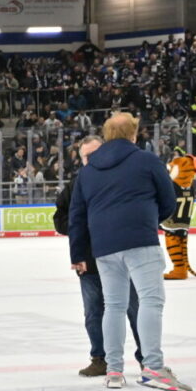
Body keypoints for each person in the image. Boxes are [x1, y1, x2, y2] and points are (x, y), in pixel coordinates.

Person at [68, 112, 192, 391]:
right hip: (140, 240)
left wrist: (78, 254)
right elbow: (168, 200)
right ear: (133, 135)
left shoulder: (87, 171)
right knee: (150, 300)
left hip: (104, 247)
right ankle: (153, 367)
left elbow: (77, 216)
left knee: (113, 305)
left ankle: (113, 370)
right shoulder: (146, 160)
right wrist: (148, 221)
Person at [54, 135, 140, 377]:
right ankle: (100, 359)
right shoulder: (76, 184)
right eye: (86, 157)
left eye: (95, 154)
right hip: (89, 262)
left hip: (123, 257)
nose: (91, 160)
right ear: (81, 160)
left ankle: (147, 358)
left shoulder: (124, 178)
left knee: (135, 309)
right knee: (94, 312)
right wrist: (84, 226)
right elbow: (60, 220)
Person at [162, 150, 196, 280]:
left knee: (173, 244)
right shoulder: (189, 187)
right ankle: (182, 267)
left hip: (172, 221)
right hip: (184, 221)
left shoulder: (172, 186)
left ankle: (179, 269)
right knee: (182, 244)